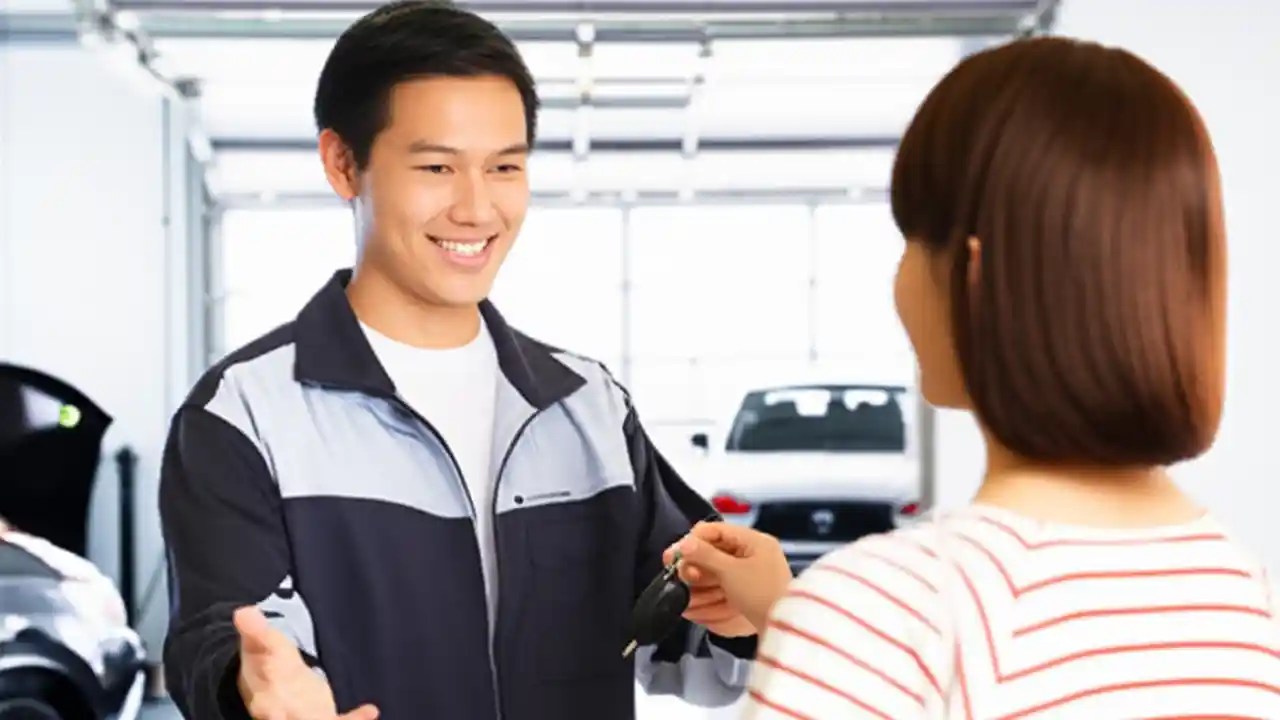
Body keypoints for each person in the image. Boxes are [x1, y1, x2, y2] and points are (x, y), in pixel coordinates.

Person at [157, 2, 755, 718]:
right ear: (343, 163)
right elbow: (222, 640)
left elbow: (689, 650)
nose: (476, 209)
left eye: (504, 167)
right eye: (437, 166)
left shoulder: (587, 407)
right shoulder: (245, 413)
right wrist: (250, 689)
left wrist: (762, 612)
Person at [665, 36, 1280, 719]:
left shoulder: (895, 608)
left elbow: (941, 646)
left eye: (912, 241)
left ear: (976, 278)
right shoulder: (1238, 590)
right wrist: (803, 619)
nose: (898, 281)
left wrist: (830, 632)